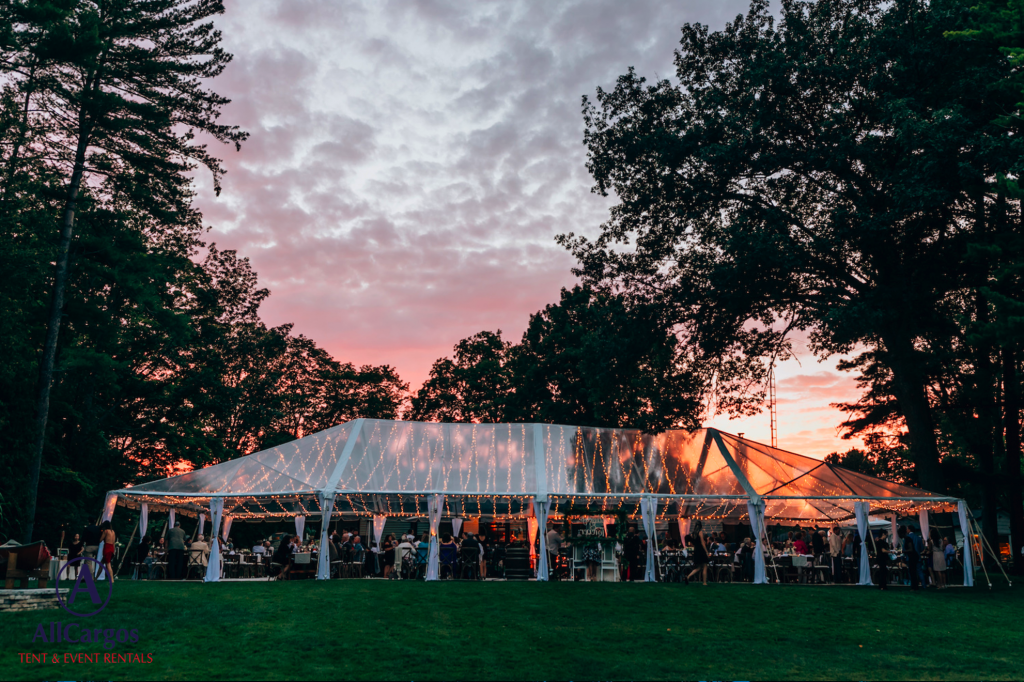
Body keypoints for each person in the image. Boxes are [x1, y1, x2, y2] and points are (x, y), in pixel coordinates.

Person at [685, 520, 710, 585]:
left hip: (696, 550)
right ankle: (704, 582)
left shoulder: (693, 534)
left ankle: (688, 577)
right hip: (701, 550)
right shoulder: (700, 532)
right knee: (705, 566)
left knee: (698, 567)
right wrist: (706, 551)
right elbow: (702, 542)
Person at [899, 526, 920, 590]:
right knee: (912, 572)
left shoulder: (908, 539)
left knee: (912, 572)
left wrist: (903, 551)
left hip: (913, 557)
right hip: (913, 556)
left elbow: (911, 549)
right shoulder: (907, 538)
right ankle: (914, 586)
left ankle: (914, 587)